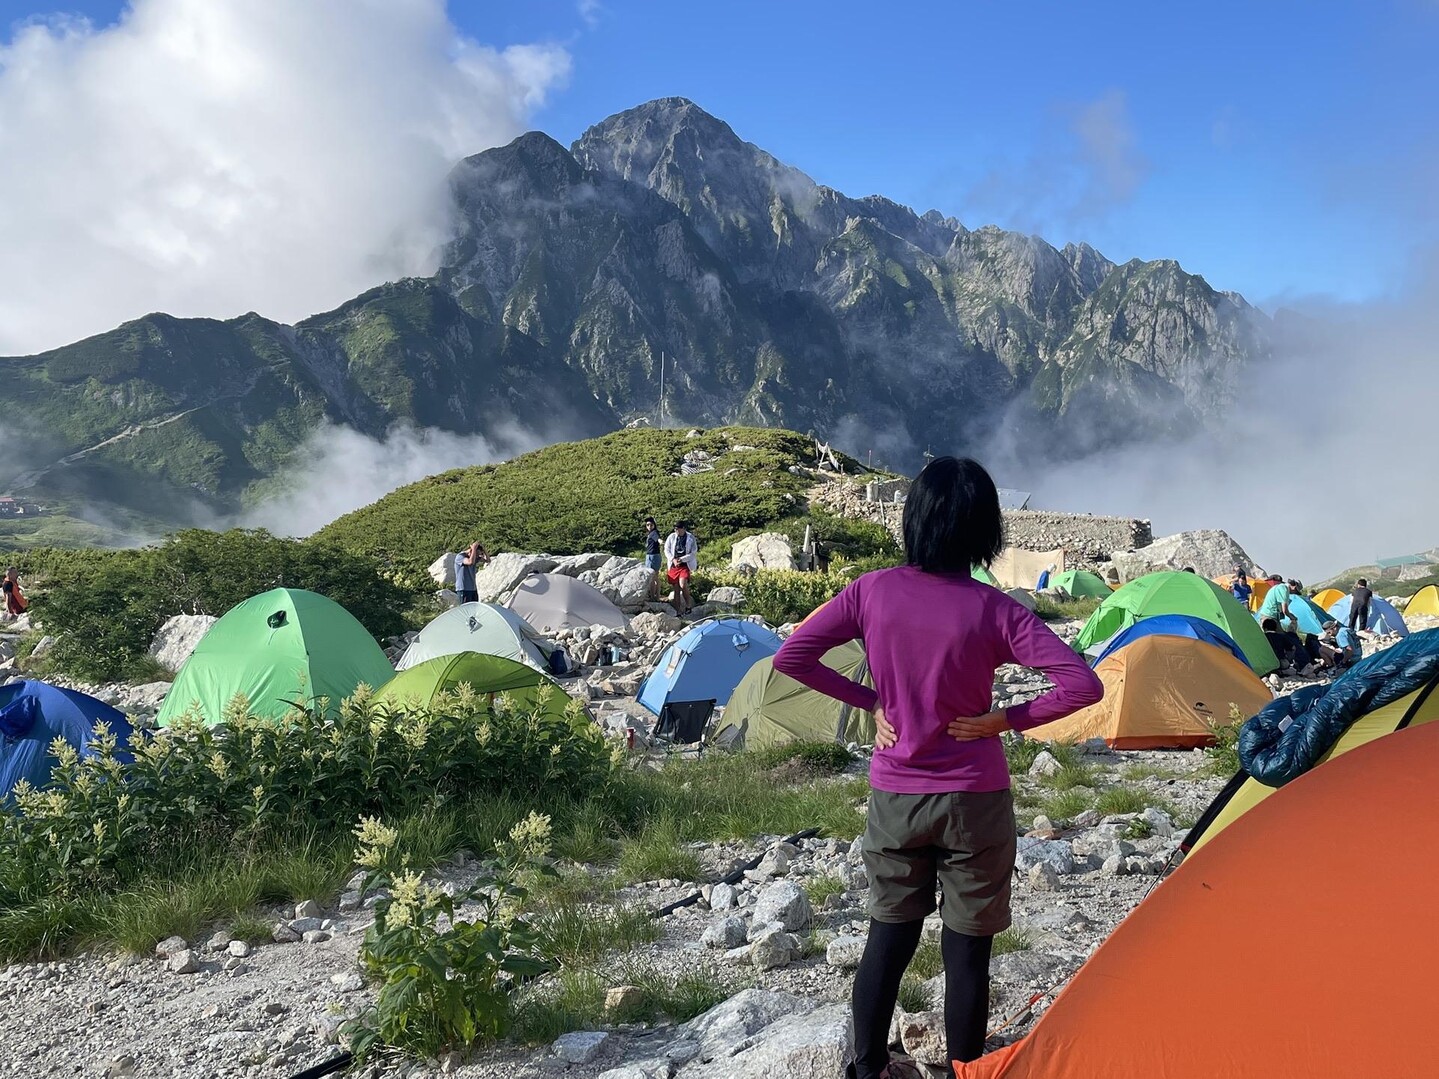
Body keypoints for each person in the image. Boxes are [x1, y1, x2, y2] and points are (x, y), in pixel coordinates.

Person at [772, 457, 1102, 1077]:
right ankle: (964, 1072)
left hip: (897, 793)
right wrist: (1007, 720)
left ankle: (867, 1070)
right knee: (968, 954)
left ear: (914, 520)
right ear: (985, 530)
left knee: (888, 938)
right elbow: (1081, 685)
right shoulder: (994, 609)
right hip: (976, 797)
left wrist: (872, 704)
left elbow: (793, 657)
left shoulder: (871, 591)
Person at [663, 520, 698, 616]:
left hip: (685, 564)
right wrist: (673, 559)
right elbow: (666, 549)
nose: (677, 530)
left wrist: (681, 559)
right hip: (674, 565)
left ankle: (688, 605)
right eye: (675, 529)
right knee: (676, 589)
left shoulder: (690, 538)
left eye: (678, 528)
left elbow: (693, 552)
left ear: (683, 528)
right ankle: (678, 611)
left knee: (683, 584)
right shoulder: (671, 537)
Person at [642, 517, 663, 600]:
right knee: (655, 577)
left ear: (654, 525)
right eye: (647, 525)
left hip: (653, 556)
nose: (649, 526)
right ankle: (656, 596)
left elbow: (658, 539)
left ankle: (654, 597)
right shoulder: (650, 533)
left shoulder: (654, 533)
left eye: (651, 524)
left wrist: (661, 541)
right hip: (651, 555)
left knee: (652, 577)